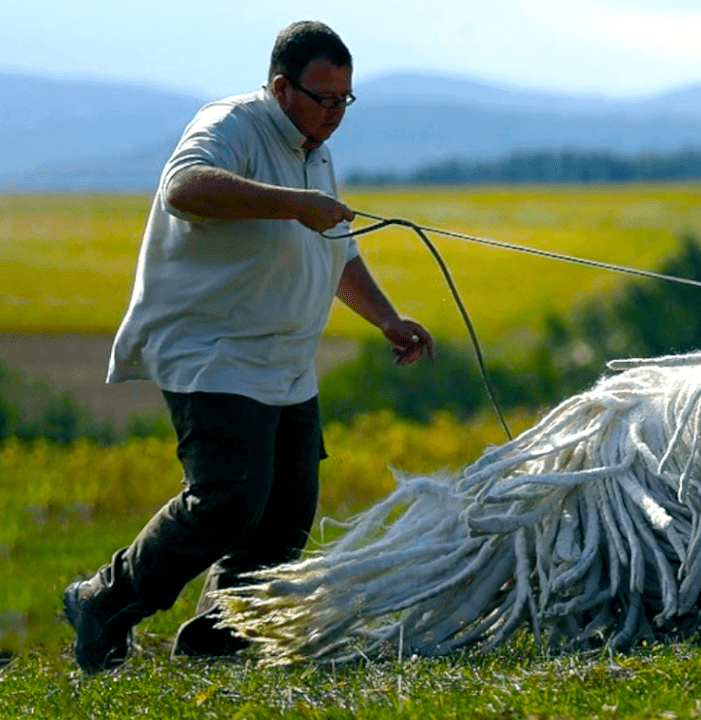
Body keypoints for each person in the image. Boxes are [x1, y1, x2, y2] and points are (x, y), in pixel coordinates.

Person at [61, 20, 436, 673]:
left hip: (285, 360)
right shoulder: (231, 125)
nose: (334, 113)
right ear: (280, 87)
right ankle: (103, 601)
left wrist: (387, 318)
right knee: (229, 498)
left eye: (345, 99)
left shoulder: (314, 147)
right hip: (212, 348)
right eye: (323, 98)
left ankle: (221, 636)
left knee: (286, 512)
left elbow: (335, 251)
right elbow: (184, 187)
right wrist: (295, 203)